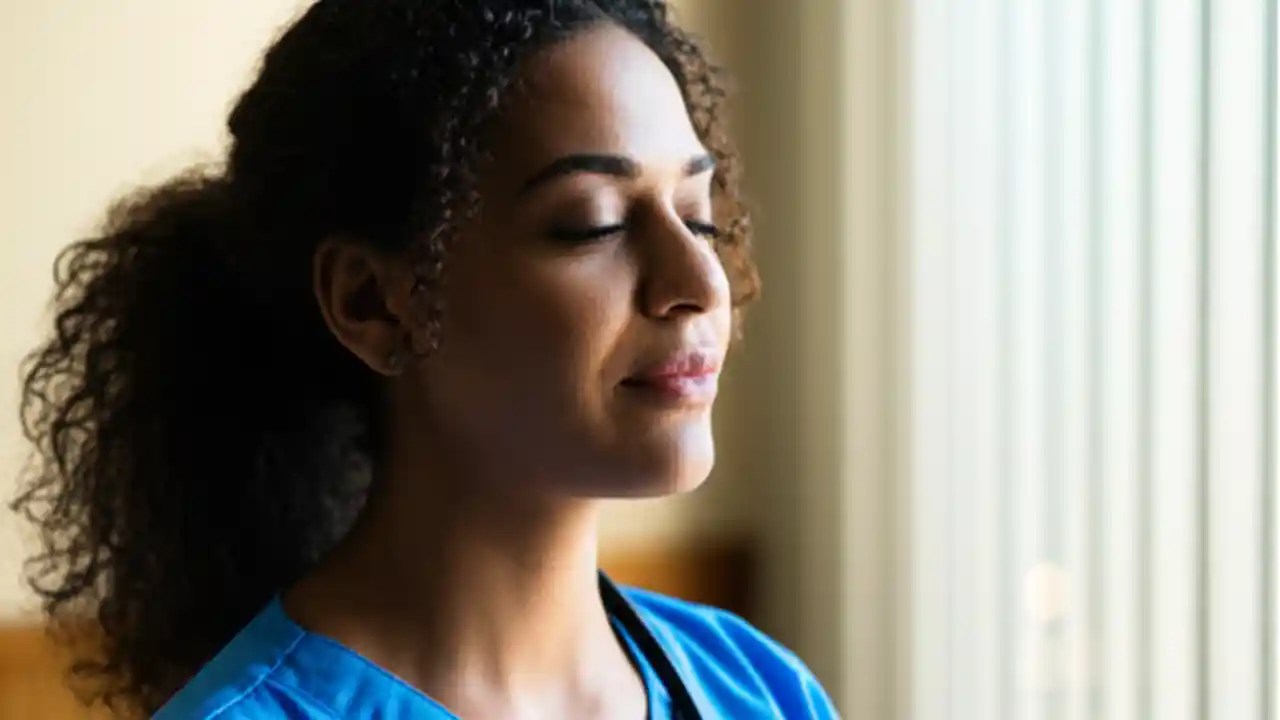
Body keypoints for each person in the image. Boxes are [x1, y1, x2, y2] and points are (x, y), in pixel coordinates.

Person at [12, 1, 837, 717]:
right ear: (373, 303)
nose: (698, 282)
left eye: (698, 215)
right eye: (592, 223)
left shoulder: (759, 689)